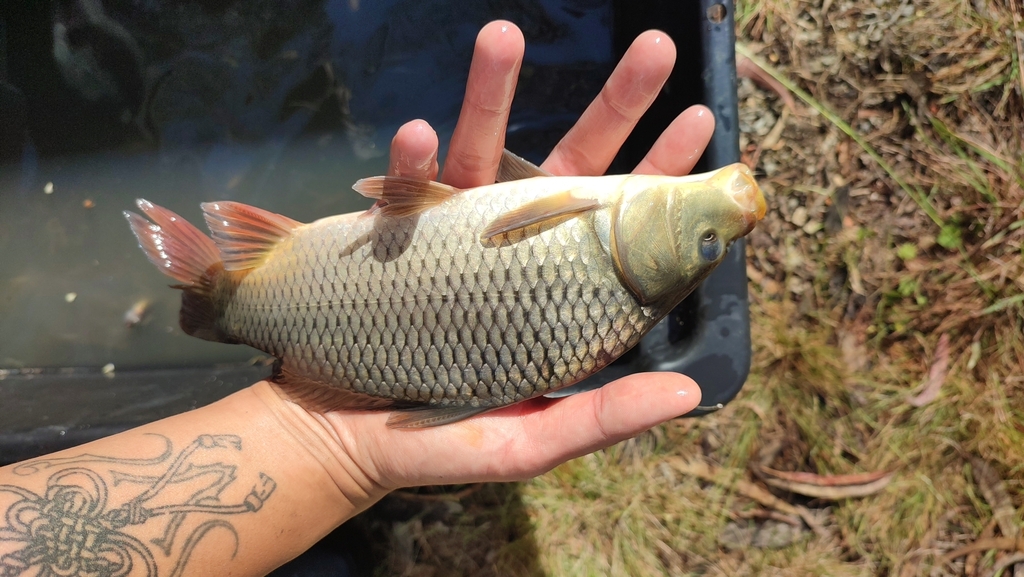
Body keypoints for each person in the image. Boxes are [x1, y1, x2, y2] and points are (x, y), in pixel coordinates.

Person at [0, 21, 713, 577]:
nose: (711, 227)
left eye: (706, 244)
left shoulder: (590, 238)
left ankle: (224, 303)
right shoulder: (604, 283)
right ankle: (225, 304)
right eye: (708, 241)